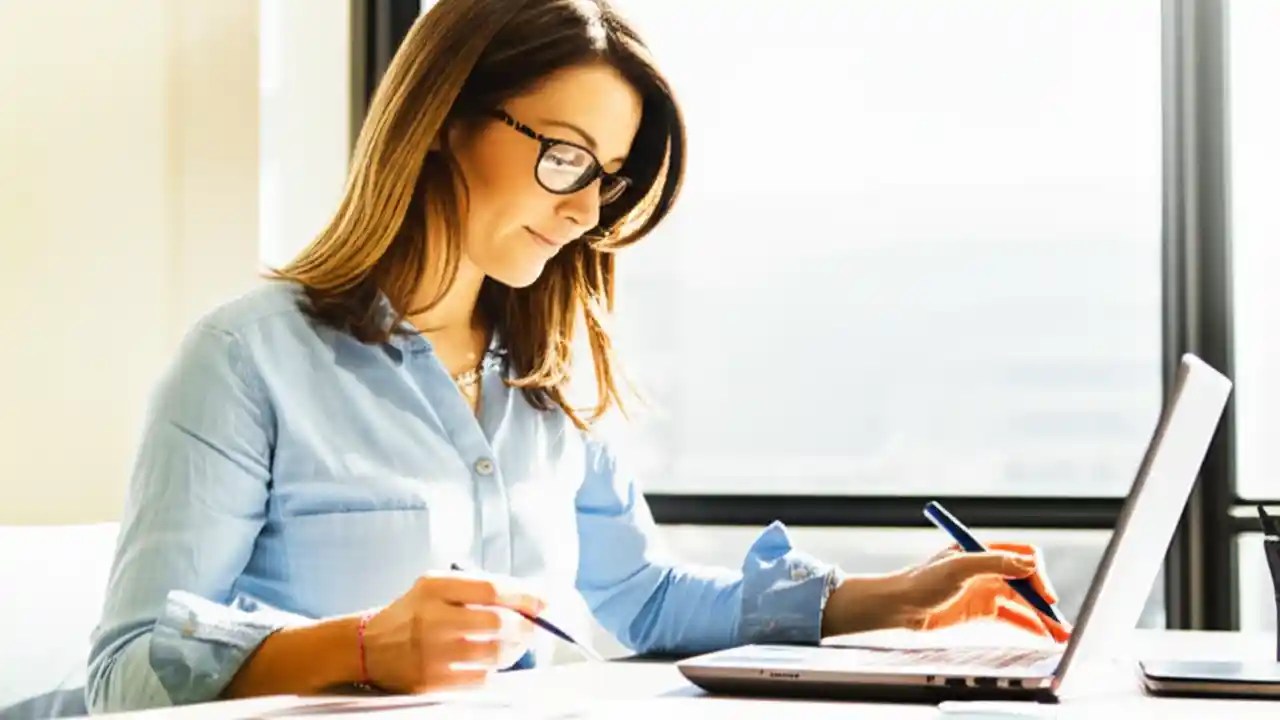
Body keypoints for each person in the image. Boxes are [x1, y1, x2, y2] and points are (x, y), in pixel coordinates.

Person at [86, 0, 1070, 713]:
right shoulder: (246, 359)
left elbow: (640, 596)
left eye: (604, 180)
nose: (582, 208)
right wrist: (359, 649)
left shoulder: (547, 379)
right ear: (442, 122)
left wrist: (890, 599)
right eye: (563, 156)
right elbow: (126, 672)